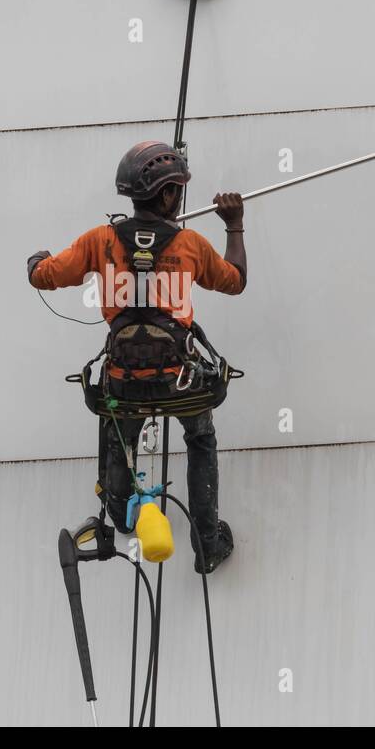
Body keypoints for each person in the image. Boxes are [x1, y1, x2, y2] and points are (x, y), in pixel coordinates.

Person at [26, 141, 246, 574]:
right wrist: (234, 224)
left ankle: (123, 510)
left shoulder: (99, 241)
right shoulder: (190, 245)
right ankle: (207, 543)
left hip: (124, 384)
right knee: (200, 438)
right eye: (178, 190)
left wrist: (38, 259)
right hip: (179, 384)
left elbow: (43, 276)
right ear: (165, 195)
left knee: (118, 433)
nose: (180, 199)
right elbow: (235, 281)